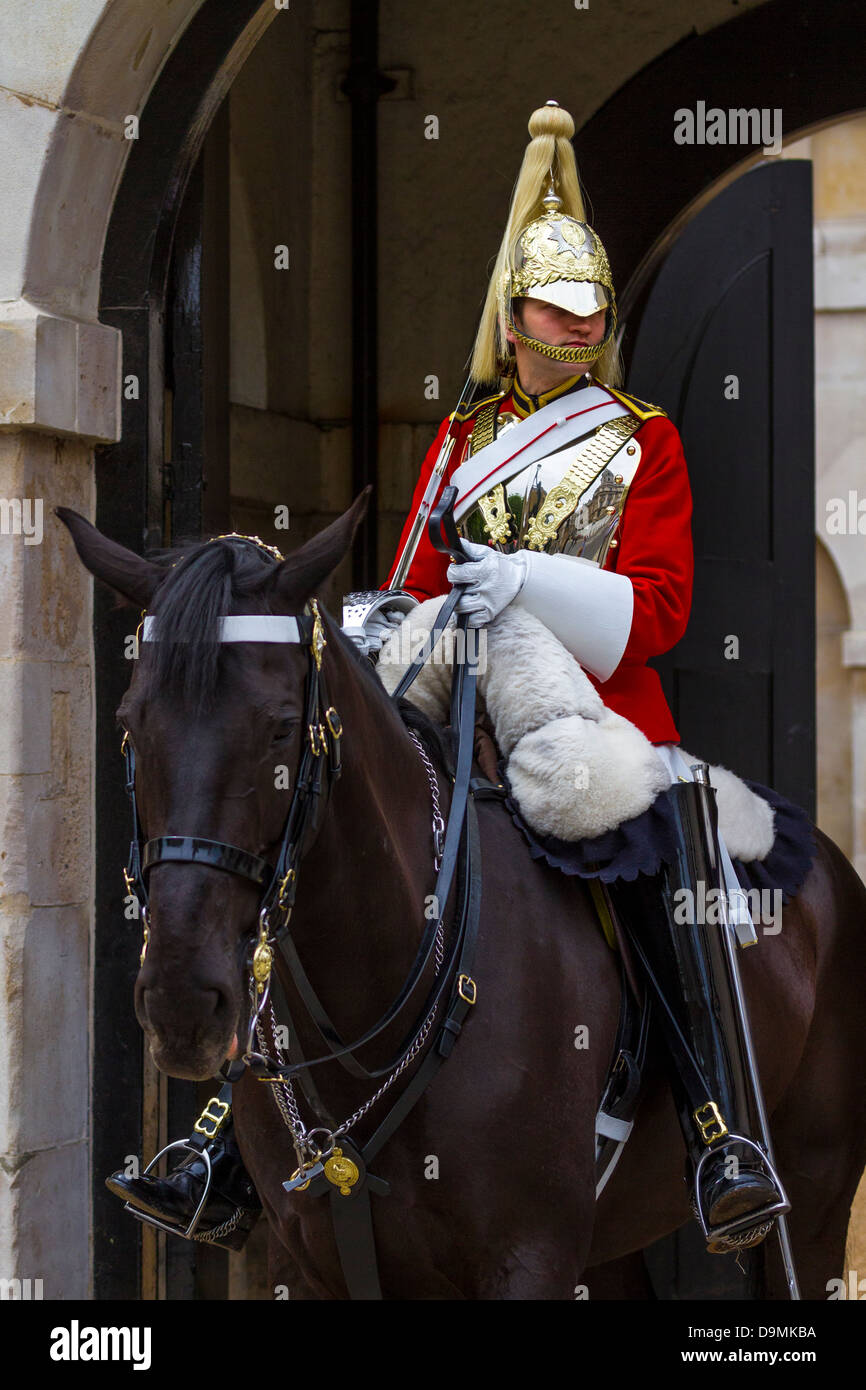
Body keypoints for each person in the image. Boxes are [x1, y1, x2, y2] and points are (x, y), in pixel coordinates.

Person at [111, 100, 786, 1260]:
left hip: (595, 699)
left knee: (658, 844)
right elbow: (412, 578)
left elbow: (659, 610)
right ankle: (228, 1135)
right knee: (316, 829)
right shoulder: (460, 440)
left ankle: (719, 1129)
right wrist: (421, 611)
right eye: (548, 315)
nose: (569, 335)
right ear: (510, 321)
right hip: (453, 693)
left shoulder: (644, 437)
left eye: (587, 317)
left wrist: (525, 579)